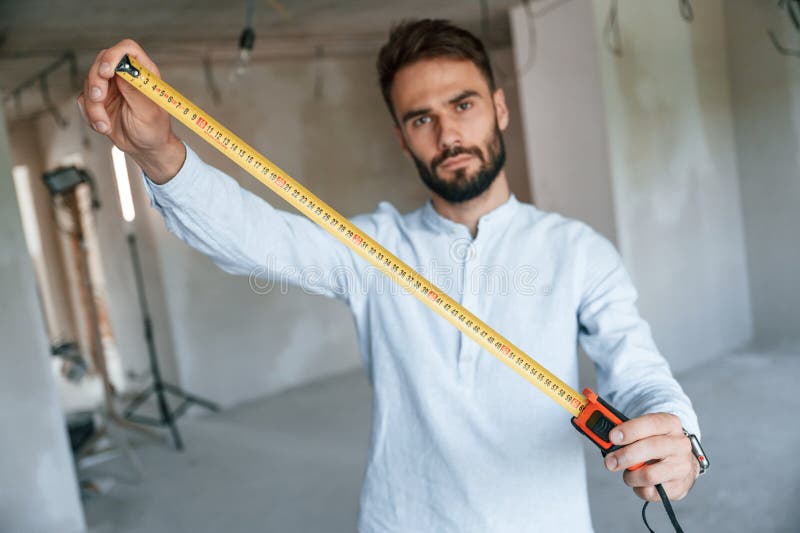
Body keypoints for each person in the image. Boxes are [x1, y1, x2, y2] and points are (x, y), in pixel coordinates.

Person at [79, 19, 702, 533]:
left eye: (463, 105)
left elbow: (639, 369)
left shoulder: (579, 252)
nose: (448, 133)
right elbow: (256, 239)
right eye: (420, 118)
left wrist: (679, 437)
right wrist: (158, 152)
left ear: (500, 109)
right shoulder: (372, 247)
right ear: (402, 139)